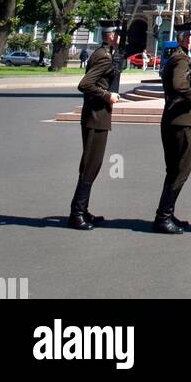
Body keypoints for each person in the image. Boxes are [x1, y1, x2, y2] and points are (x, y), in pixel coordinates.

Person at [67, 20, 121, 230]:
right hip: (96, 115)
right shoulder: (103, 57)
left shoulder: (105, 54)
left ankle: (82, 210)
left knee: (92, 164)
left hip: (97, 115)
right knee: (91, 164)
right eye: (116, 34)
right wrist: (107, 95)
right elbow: (85, 84)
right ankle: (77, 213)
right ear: (109, 36)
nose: (118, 38)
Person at [154, 20, 191, 234]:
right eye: (187, 37)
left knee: (175, 169)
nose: (190, 40)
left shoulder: (180, 57)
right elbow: (179, 84)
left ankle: (167, 214)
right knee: (181, 169)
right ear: (181, 39)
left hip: (175, 119)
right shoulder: (181, 59)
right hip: (179, 120)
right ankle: (163, 217)